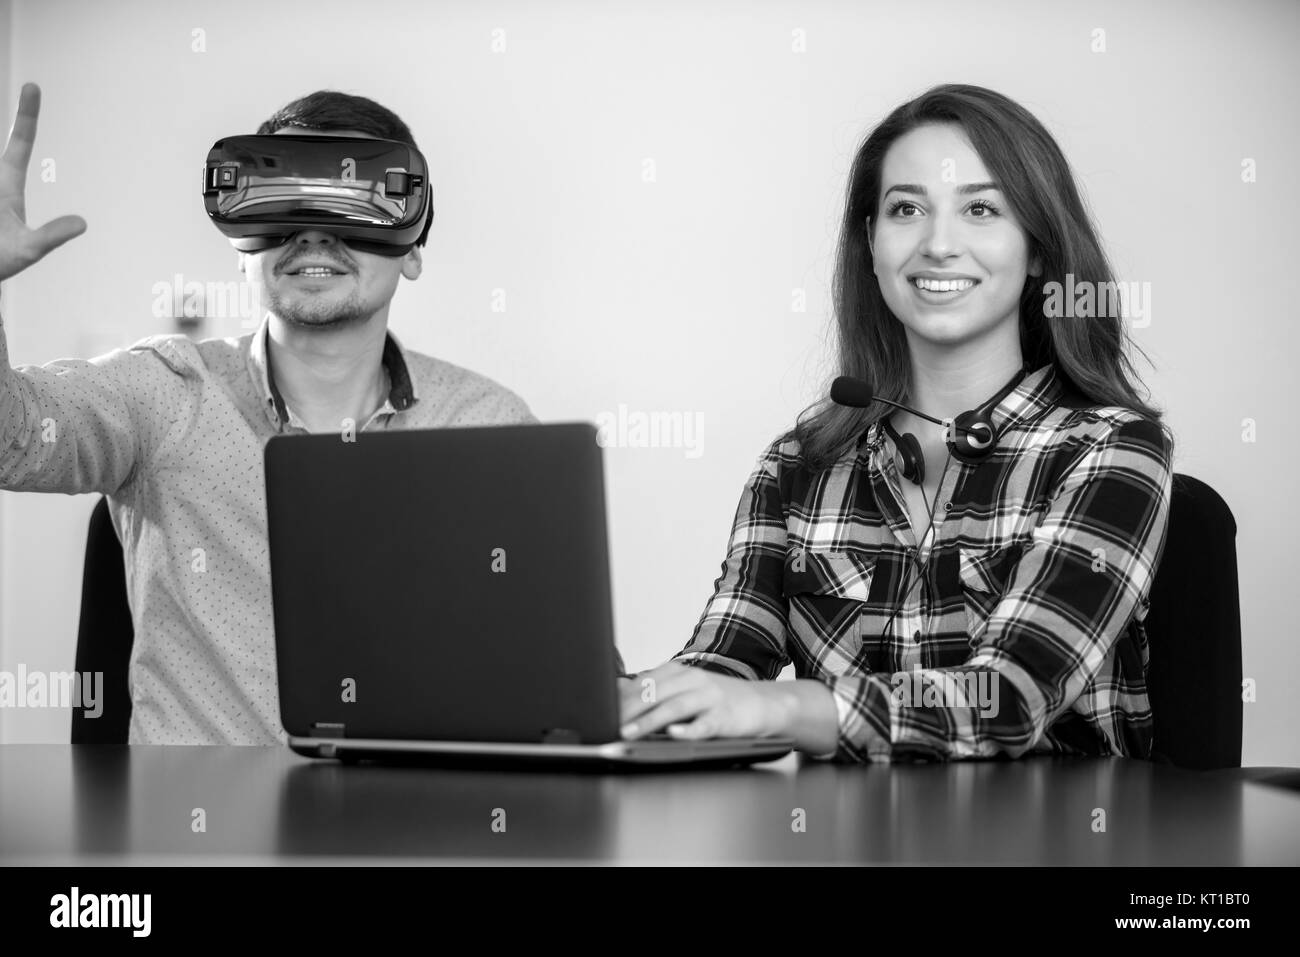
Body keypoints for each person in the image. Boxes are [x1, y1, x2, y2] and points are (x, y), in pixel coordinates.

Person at [620, 84, 1175, 763]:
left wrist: (791, 705)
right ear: (871, 242)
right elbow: (725, 662)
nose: (939, 244)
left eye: (980, 208)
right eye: (907, 208)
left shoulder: (1111, 449)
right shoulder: (795, 466)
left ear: (1036, 249)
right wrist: (629, 699)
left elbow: (1010, 698)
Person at [0, 84, 535, 745]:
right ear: (239, 245)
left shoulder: (490, 428)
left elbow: (547, 663)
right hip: (199, 839)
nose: (314, 233)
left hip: (414, 834)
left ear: (415, 245)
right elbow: (13, 439)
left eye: (354, 200)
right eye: (282, 202)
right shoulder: (164, 394)